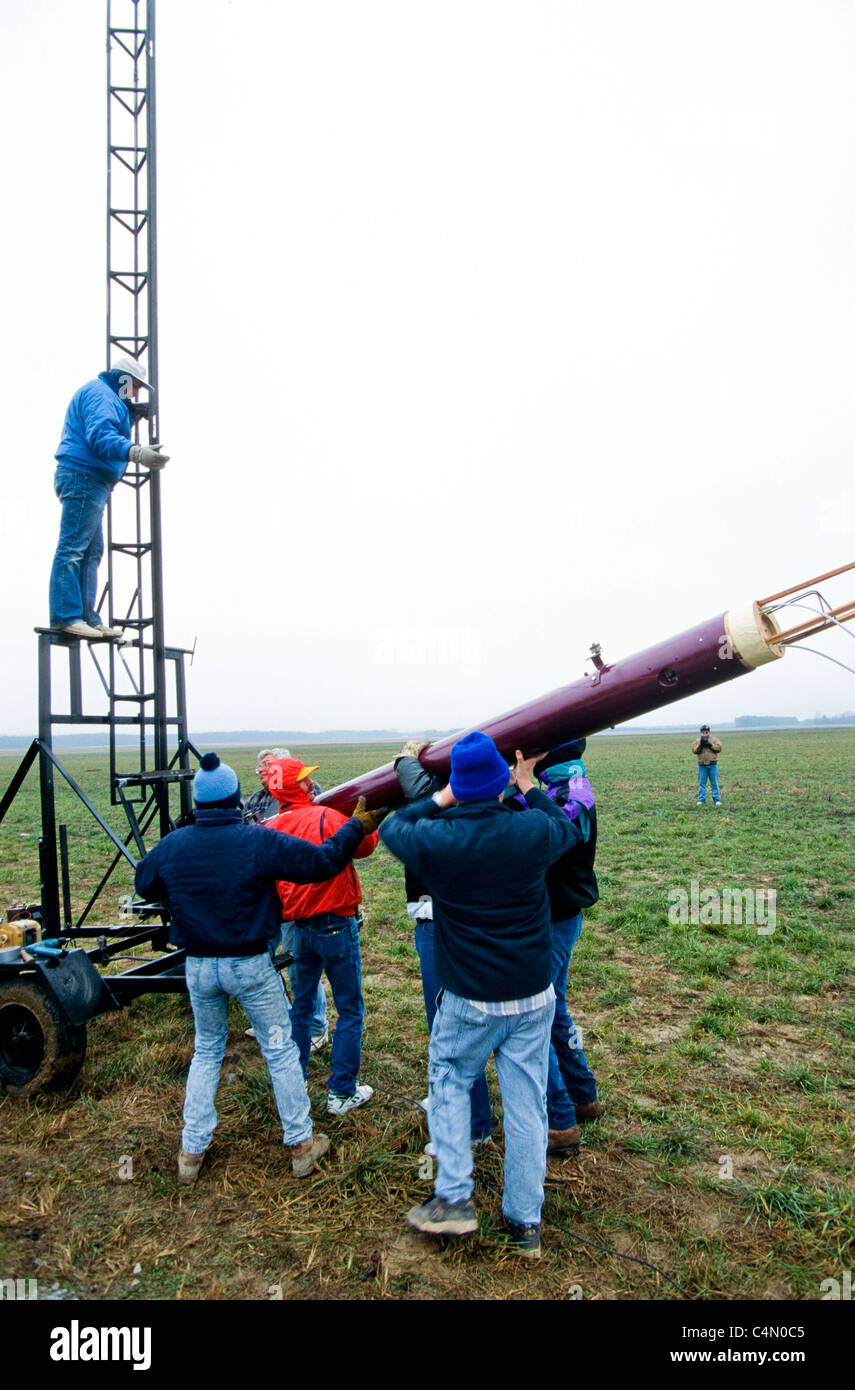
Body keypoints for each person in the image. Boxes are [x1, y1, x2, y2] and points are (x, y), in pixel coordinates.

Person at [380, 732, 585, 1259]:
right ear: (498, 785)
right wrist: (525, 786)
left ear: (457, 789)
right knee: (525, 1102)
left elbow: (392, 826)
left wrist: (442, 795)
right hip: (533, 995)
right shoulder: (531, 831)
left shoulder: (438, 840)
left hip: (469, 997)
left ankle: (453, 1200)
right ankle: (525, 1222)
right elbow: (565, 826)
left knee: (448, 1082)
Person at [134, 751, 381, 1183]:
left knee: (207, 1050)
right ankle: (301, 1145)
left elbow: (144, 882)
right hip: (248, 963)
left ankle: (191, 1153)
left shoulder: (176, 844)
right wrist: (355, 828)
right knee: (280, 1048)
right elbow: (321, 863)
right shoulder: (255, 840)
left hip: (198, 968)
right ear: (234, 798)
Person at [265, 756, 380, 1116]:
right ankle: (341, 1092)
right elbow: (365, 846)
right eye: (302, 781)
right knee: (349, 1009)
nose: (311, 784)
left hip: (299, 931)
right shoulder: (326, 817)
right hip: (335, 923)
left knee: (301, 1008)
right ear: (289, 788)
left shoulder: (270, 828)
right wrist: (367, 822)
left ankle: (294, 1082)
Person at [394, 739, 493, 1148]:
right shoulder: (472, 802)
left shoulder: (443, 804)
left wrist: (404, 758)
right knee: (455, 1022)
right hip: (458, 920)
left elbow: (419, 798)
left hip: (440, 922)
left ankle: (470, 1126)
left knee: (446, 1023)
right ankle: (466, 1112)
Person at [506, 740, 601, 1154]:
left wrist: (524, 788)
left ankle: (560, 1121)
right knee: (554, 1005)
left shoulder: (569, 794)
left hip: (554, 919)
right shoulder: (565, 784)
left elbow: (553, 831)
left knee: (533, 1012)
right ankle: (583, 1095)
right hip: (558, 915)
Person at [50, 355, 169, 639]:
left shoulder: (107, 397)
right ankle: (67, 616)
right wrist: (135, 452)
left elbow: (105, 428)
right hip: (83, 477)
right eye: (135, 386)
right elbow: (99, 435)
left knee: (90, 551)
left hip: (90, 480)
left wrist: (132, 419)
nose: (136, 392)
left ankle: (87, 618)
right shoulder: (102, 396)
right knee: (74, 548)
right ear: (123, 379)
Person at [242, 748, 330, 1052]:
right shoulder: (255, 800)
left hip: (294, 892)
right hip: (265, 892)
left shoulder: (311, 794)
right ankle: (274, 1019)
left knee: (297, 961)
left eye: (269, 767)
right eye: (261, 768)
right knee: (261, 957)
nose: (264, 772)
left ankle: (316, 1026)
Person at [692, 723, 723, 807]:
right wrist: (700, 745)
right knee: (702, 784)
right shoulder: (697, 741)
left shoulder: (714, 740)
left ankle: (716, 800)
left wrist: (710, 745)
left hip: (713, 764)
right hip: (702, 765)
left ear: (709, 732)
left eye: (706, 732)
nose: (705, 734)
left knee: (714, 783)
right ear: (700, 733)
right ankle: (701, 800)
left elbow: (719, 748)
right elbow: (694, 751)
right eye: (703, 732)